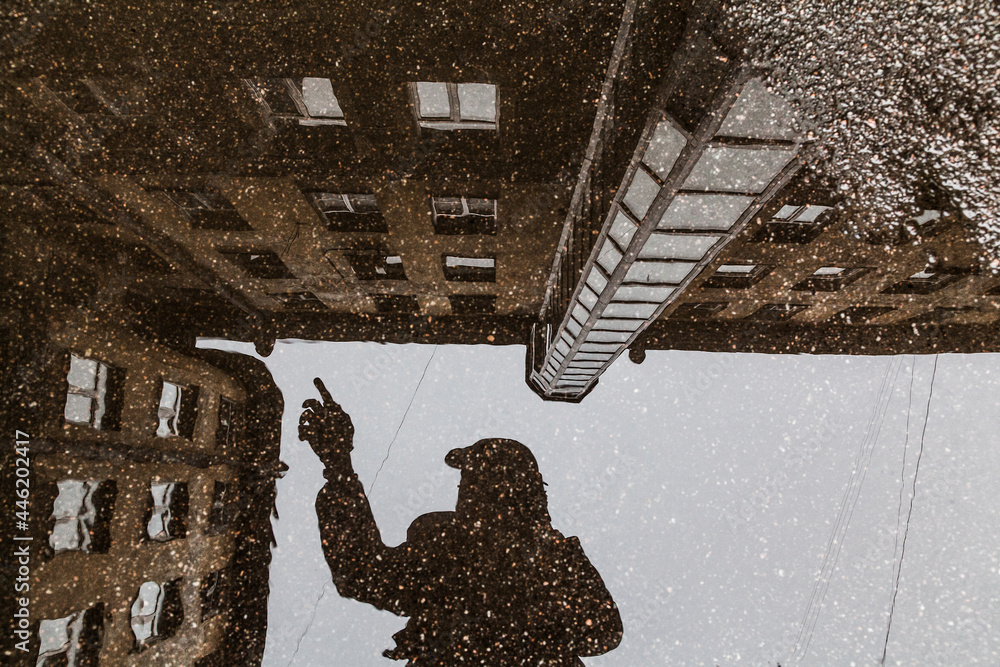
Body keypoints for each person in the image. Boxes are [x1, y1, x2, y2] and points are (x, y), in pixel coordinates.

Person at [300, 378, 623, 665]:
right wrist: (339, 466)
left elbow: (362, 573)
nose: (463, 492)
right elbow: (363, 573)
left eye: (471, 481)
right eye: (465, 483)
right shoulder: (538, 556)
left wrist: (339, 465)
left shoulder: (454, 549)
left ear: (500, 491)